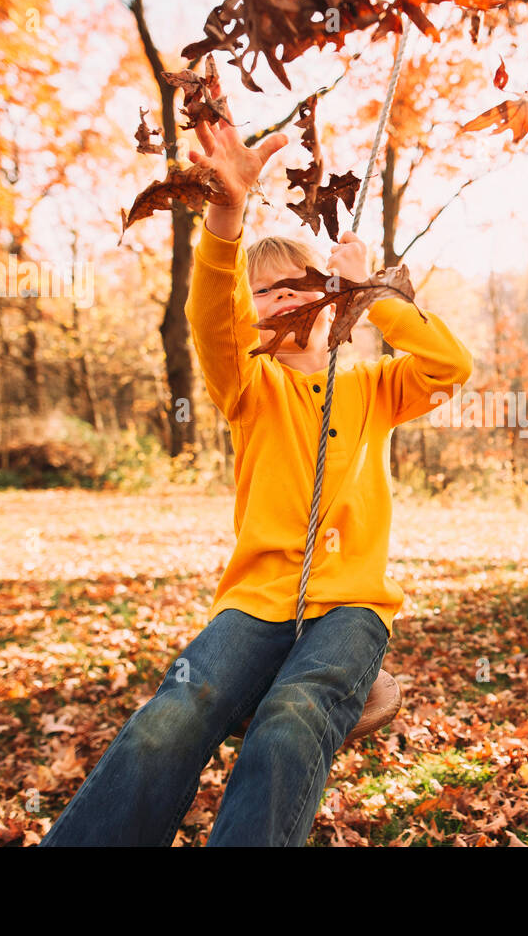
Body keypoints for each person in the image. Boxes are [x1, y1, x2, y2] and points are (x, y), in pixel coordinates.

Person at [40, 108, 472, 847]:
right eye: (264, 293)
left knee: (292, 717)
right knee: (172, 712)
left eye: (300, 285)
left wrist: (373, 293)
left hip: (350, 609)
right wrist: (228, 213)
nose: (284, 300)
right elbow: (212, 320)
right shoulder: (248, 386)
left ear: (326, 294)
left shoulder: (372, 386)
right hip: (254, 602)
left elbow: (450, 368)